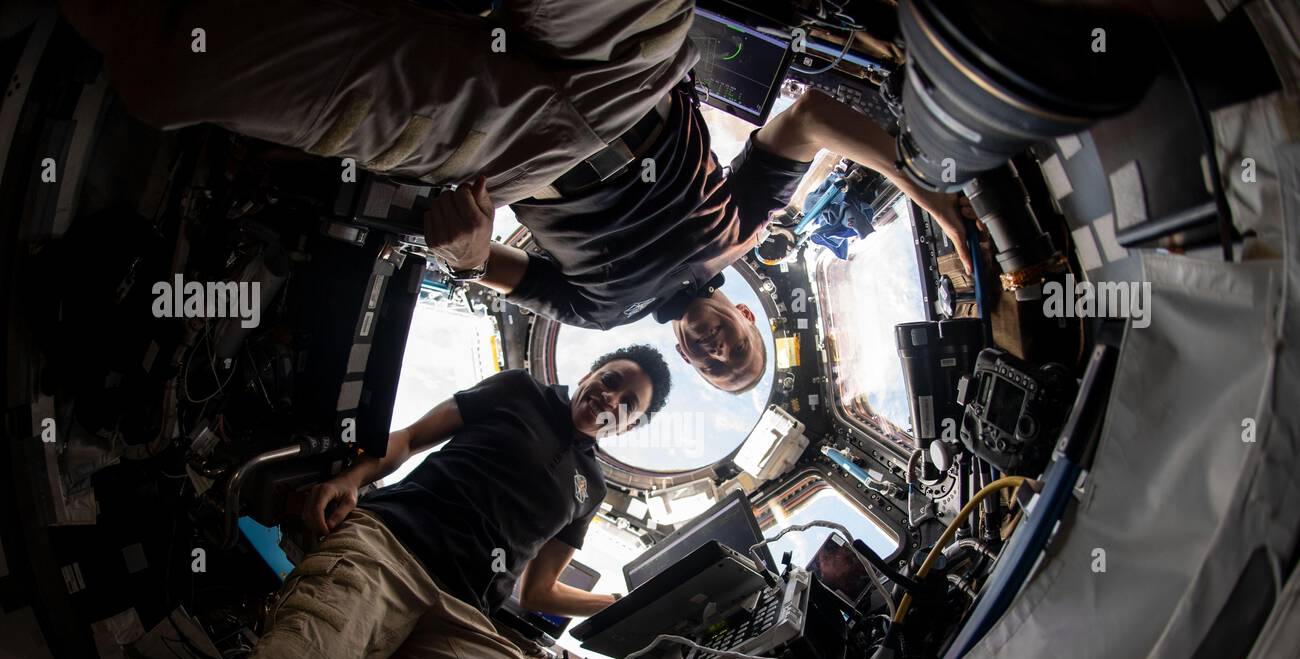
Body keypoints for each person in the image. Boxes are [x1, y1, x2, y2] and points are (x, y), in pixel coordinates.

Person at [60, 0, 974, 396]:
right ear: (740, 315)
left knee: (167, 69)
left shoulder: (590, 308)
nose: (711, 351)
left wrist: (457, 248)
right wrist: (927, 193)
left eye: (709, 367)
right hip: (633, 80)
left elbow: (483, 264)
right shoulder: (740, 229)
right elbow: (809, 114)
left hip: (502, 153)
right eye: (733, 350)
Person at [81, 346, 673, 659]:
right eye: (612, 378)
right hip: (386, 552)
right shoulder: (519, 389)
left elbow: (538, 592)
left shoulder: (589, 488)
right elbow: (412, 438)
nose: (611, 396)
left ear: (629, 425)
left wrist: (622, 602)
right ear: (594, 369)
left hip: (466, 617)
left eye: (629, 403)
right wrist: (356, 477)